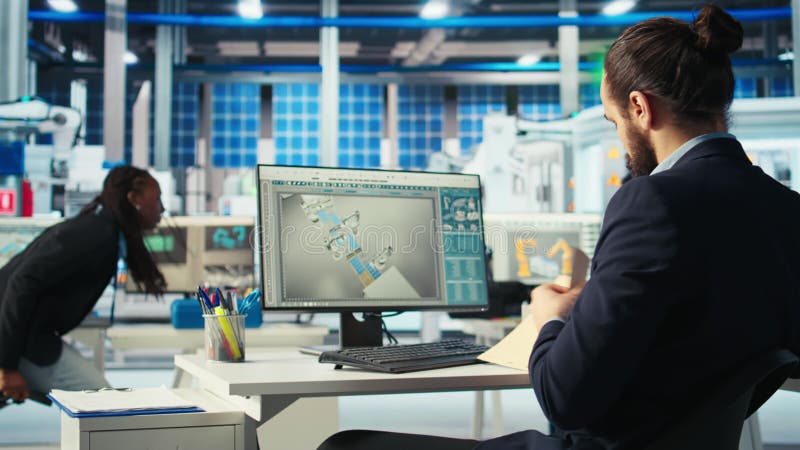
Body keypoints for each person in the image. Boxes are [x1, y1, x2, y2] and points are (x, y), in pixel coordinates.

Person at [317, 5, 800, 449]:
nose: (621, 142)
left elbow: (564, 400)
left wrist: (547, 316)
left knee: (344, 445)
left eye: (613, 122)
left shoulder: (652, 201)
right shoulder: (787, 209)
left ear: (639, 107)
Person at [0, 165, 166, 403]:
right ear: (134, 199)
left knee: (102, 405)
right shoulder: (97, 233)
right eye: (157, 199)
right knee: (105, 405)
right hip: (19, 338)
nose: (162, 209)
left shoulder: (99, 225)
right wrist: (7, 367)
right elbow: (22, 282)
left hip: (26, 335)